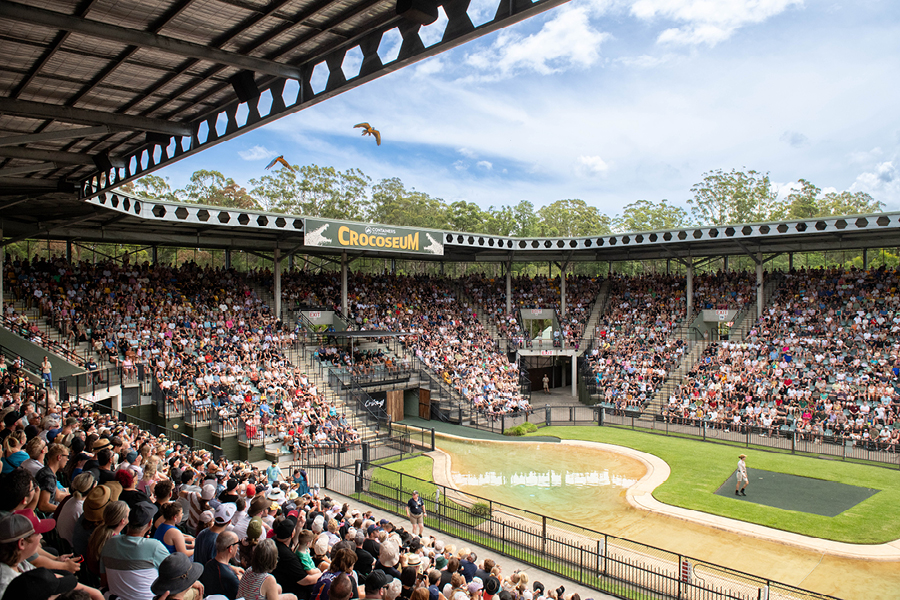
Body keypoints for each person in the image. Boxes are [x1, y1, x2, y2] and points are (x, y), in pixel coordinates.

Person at [100, 501, 170, 600]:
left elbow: (104, 582)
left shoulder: (109, 543)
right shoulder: (154, 546)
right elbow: (175, 572)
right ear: (150, 523)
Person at [200, 531, 242, 600]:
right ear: (230, 548)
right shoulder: (230, 577)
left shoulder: (209, 564)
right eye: (237, 544)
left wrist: (232, 568)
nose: (237, 547)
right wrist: (239, 579)